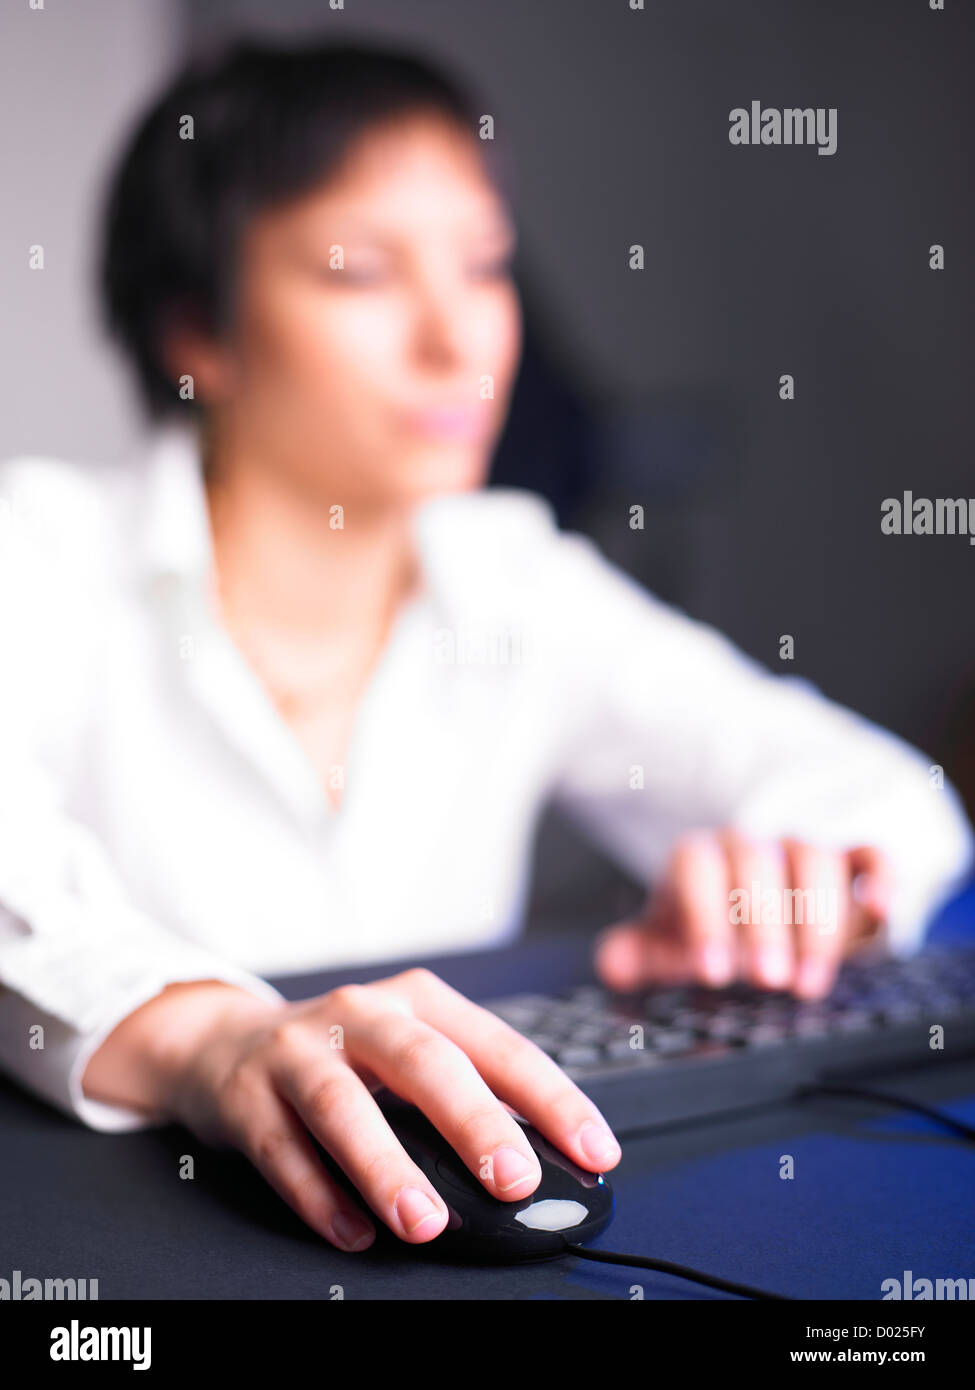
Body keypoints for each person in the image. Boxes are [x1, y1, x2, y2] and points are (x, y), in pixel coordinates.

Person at [0, 40, 970, 1256]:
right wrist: (213, 1035)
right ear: (198, 330)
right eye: (360, 273)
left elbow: (889, 797)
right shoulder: (34, 548)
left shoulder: (515, 575)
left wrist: (788, 891)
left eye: (486, 266)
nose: (462, 340)